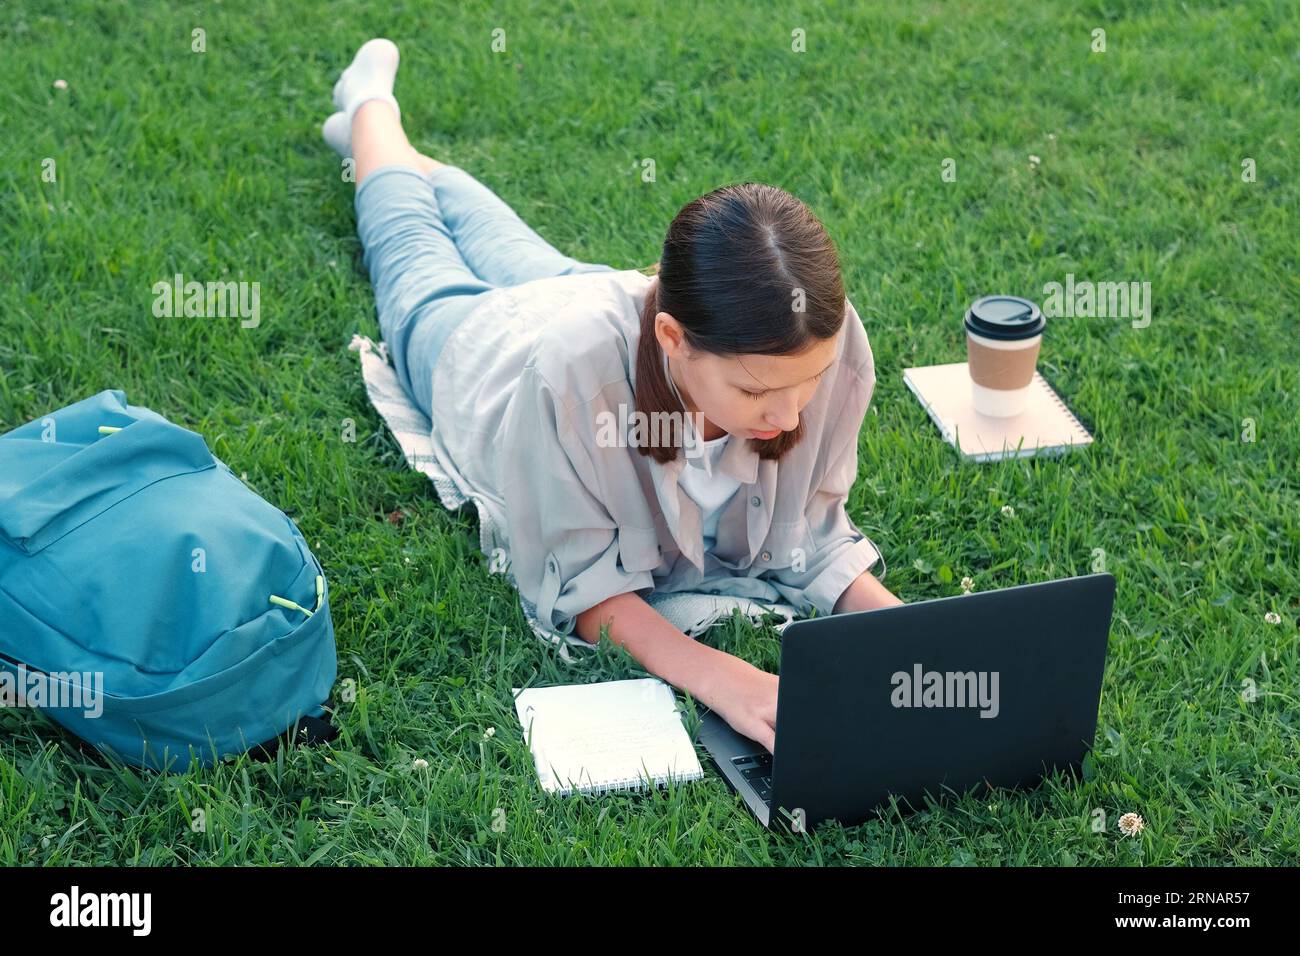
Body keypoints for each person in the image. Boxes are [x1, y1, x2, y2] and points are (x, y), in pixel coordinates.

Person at [324, 39, 903, 753]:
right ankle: (369, 107)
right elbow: (582, 587)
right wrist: (721, 677)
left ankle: (390, 145)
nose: (790, 415)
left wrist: (904, 636)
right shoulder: (578, 376)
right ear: (673, 339)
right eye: (756, 390)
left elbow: (811, 535)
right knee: (408, 240)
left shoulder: (826, 340)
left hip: (587, 293)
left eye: (806, 383)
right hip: (488, 355)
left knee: (493, 227)